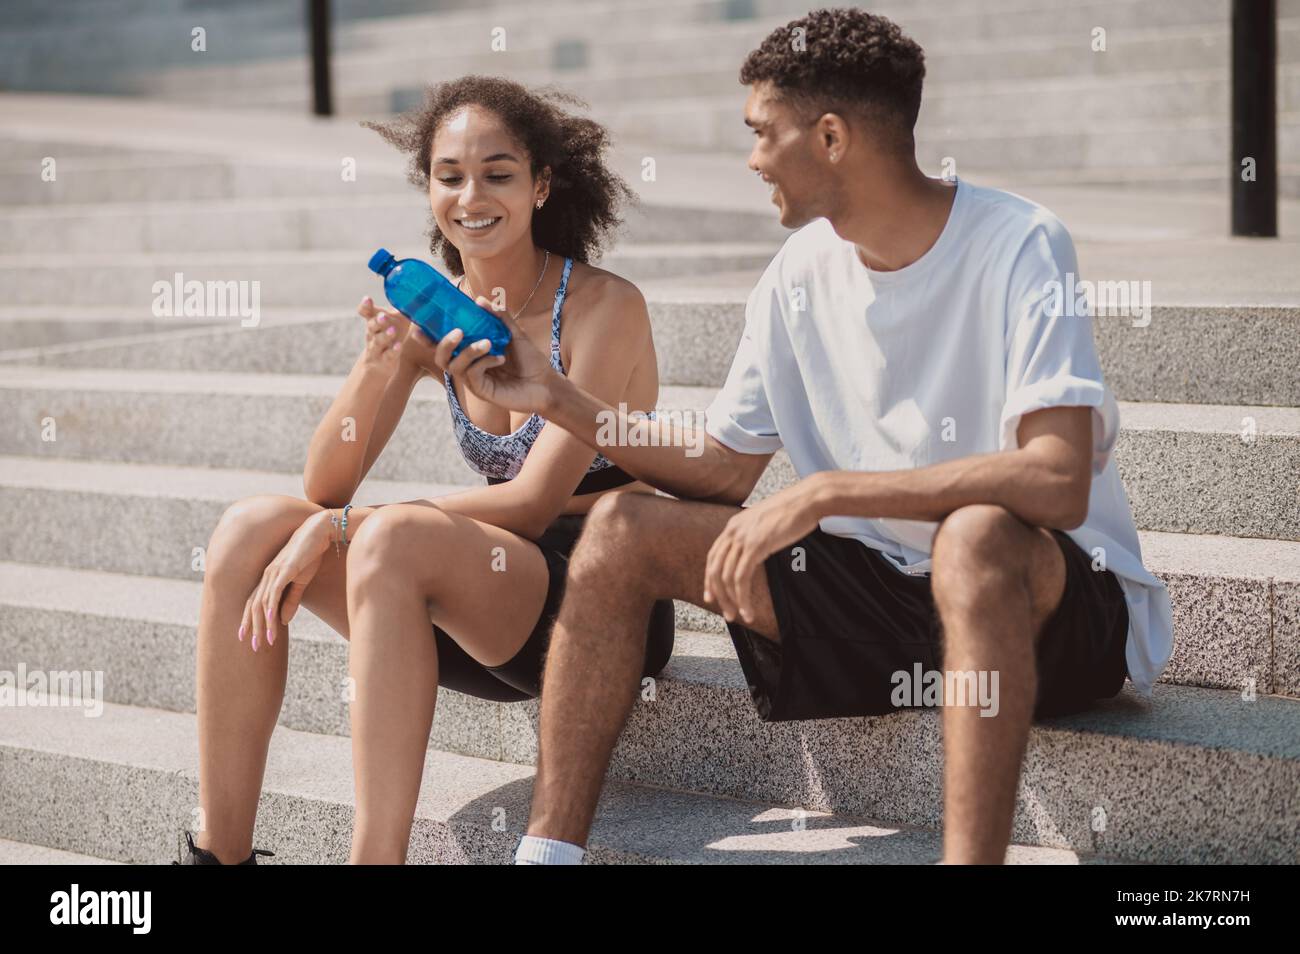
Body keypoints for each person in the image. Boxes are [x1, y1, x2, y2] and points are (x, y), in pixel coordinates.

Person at [440, 10, 1174, 865]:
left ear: (829, 136)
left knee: (974, 537)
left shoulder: (1018, 242)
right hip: (883, 600)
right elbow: (719, 468)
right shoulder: (795, 274)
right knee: (621, 528)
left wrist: (829, 492)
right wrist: (561, 399)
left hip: (1052, 608)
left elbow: (1055, 481)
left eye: (761, 133)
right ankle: (548, 854)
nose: (750, 160)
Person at [179, 75, 674, 865]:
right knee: (248, 532)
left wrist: (342, 529)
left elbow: (539, 502)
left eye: (498, 174)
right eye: (450, 177)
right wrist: (380, 365)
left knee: (391, 538)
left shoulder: (603, 309)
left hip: (599, 600)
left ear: (542, 184)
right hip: (476, 592)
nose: (471, 197)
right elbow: (324, 486)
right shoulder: (433, 311)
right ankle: (217, 855)